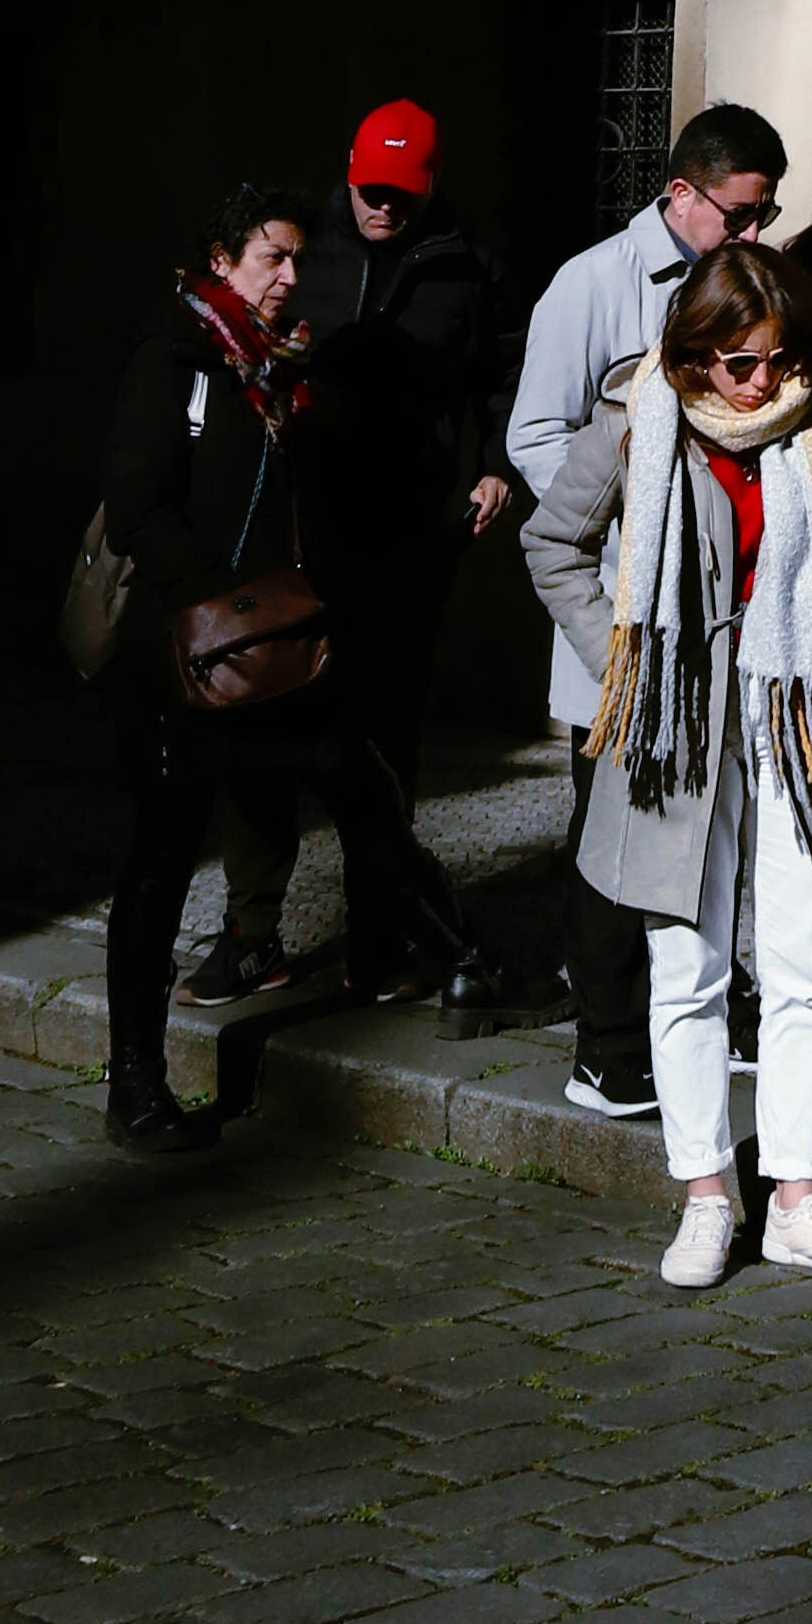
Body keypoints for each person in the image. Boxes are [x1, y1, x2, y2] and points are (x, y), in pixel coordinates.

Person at [520, 234, 812, 1290]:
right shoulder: (638, 413)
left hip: (798, 709)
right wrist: (623, 656)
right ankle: (706, 1192)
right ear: (696, 355)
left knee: (805, 954)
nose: (769, 380)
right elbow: (551, 544)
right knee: (684, 965)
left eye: (784, 355)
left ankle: (797, 1195)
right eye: (744, 361)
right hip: (674, 721)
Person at [89, 185, 460, 1149]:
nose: (293, 278)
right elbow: (138, 506)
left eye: (298, 260)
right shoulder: (175, 359)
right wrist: (220, 607)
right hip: (187, 657)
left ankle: (458, 955)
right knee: (162, 860)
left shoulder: (272, 371)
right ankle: (135, 1080)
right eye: (273, 260)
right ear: (221, 262)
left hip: (278, 648)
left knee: (359, 783)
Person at [502, 105, 791, 1118]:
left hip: (717, 617)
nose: (755, 235)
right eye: (741, 214)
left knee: (699, 823)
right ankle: (606, 1044)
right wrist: (631, 501)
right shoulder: (591, 284)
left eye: (765, 214)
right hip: (620, 610)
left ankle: (698, 1007)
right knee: (611, 830)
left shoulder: (743, 285)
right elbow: (535, 432)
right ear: (682, 194)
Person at [209, 98, 525, 1016]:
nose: (380, 206)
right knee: (263, 729)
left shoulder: (470, 263)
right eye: (368, 189)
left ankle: (379, 941)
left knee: (383, 747)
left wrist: (497, 464)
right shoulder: (308, 249)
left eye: (400, 192)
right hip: (296, 532)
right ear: (346, 171)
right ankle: (250, 935)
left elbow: (507, 370)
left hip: (405, 537)